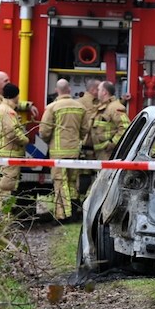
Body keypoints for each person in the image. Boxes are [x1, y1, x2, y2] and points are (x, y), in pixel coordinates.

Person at [39, 79, 92, 220]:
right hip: (74, 152)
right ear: (69, 90)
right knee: (73, 183)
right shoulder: (80, 107)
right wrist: (77, 139)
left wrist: (49, 141)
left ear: (57, 90)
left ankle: (62, 216)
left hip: (57, 153)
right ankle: (74, 213)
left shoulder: (52, 108)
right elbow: (85, 129)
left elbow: (44, 130)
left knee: (60, 183)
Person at [0, 83, 28, 207]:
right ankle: (4, 218)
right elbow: (12, 133)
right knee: (6, 189)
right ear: (15, 96)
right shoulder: (8, 112)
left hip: (0, 152)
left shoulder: (0, 109)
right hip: (10, 154)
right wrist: (25, 139)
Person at [0, 71, 37, 145]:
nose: (9, 83)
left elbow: (13, 103)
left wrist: (28, 106)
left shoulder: (3, 96)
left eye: (8, 80)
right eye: (5, 81)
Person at [90, 81, 129, 161]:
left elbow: (126, 128)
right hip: (100, 154)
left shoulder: (115, 108)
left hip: (109, 154)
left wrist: (112, 144)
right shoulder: (103, 107)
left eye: (99, 89)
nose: (97, 92)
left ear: (104, 92)